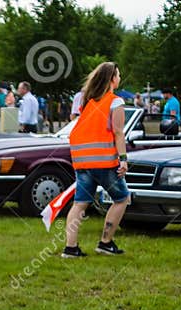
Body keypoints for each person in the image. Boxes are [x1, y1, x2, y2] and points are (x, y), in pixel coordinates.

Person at [62, 61, 130, 258]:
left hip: (83, 162)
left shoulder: (89, 102)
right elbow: (118, 133)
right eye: (118, 74)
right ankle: (105, 242)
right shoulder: (115, 102)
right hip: (105, 162)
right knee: (121, 199)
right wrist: (123, 159)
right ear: (111, 79)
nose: (119, 78)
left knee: (80, 204)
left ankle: (70, 248)